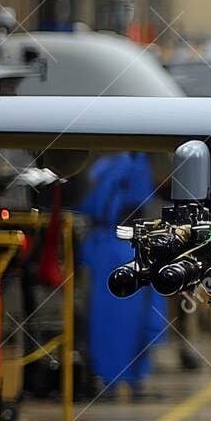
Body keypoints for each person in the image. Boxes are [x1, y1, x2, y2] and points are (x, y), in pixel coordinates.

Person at [80, 152, 168, 398]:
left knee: (111, 318)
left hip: (109, 247)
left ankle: (114, 378)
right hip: (121, 247)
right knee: (124, 318)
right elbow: (138, 203)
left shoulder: (112, 164)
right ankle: (126, 378)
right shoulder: (128, 164)